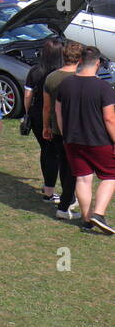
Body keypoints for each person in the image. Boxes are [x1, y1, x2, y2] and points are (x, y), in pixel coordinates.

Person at [54, 46, 115, 233]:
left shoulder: (65, 84)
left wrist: (66, 135)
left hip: (72, 140)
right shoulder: (104, 88)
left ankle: (87, 220)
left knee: (83, 178)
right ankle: (98, 213)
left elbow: (58, 111)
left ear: (80, 61)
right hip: (99, 141)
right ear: (97, 63)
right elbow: (109, 119)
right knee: (111, 175)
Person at [44, 40, 83, 218]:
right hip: (76, 130)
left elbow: (46, 107)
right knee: (75, 169)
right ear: (79, 59)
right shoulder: (80, 78)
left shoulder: (51, 77)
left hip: (57, 128)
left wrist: (46, 126)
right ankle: (65, 205)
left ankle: (68, 199)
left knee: (64, 165)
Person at [24, 38, 65, 205]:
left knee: (45, 150)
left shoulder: (35, 71)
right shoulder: (62, 73)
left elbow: (28, 96)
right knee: (56, 154)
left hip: (37, 116)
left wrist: (27, 114)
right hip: (56, 117)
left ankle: (48, 189)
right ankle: (51, 191)